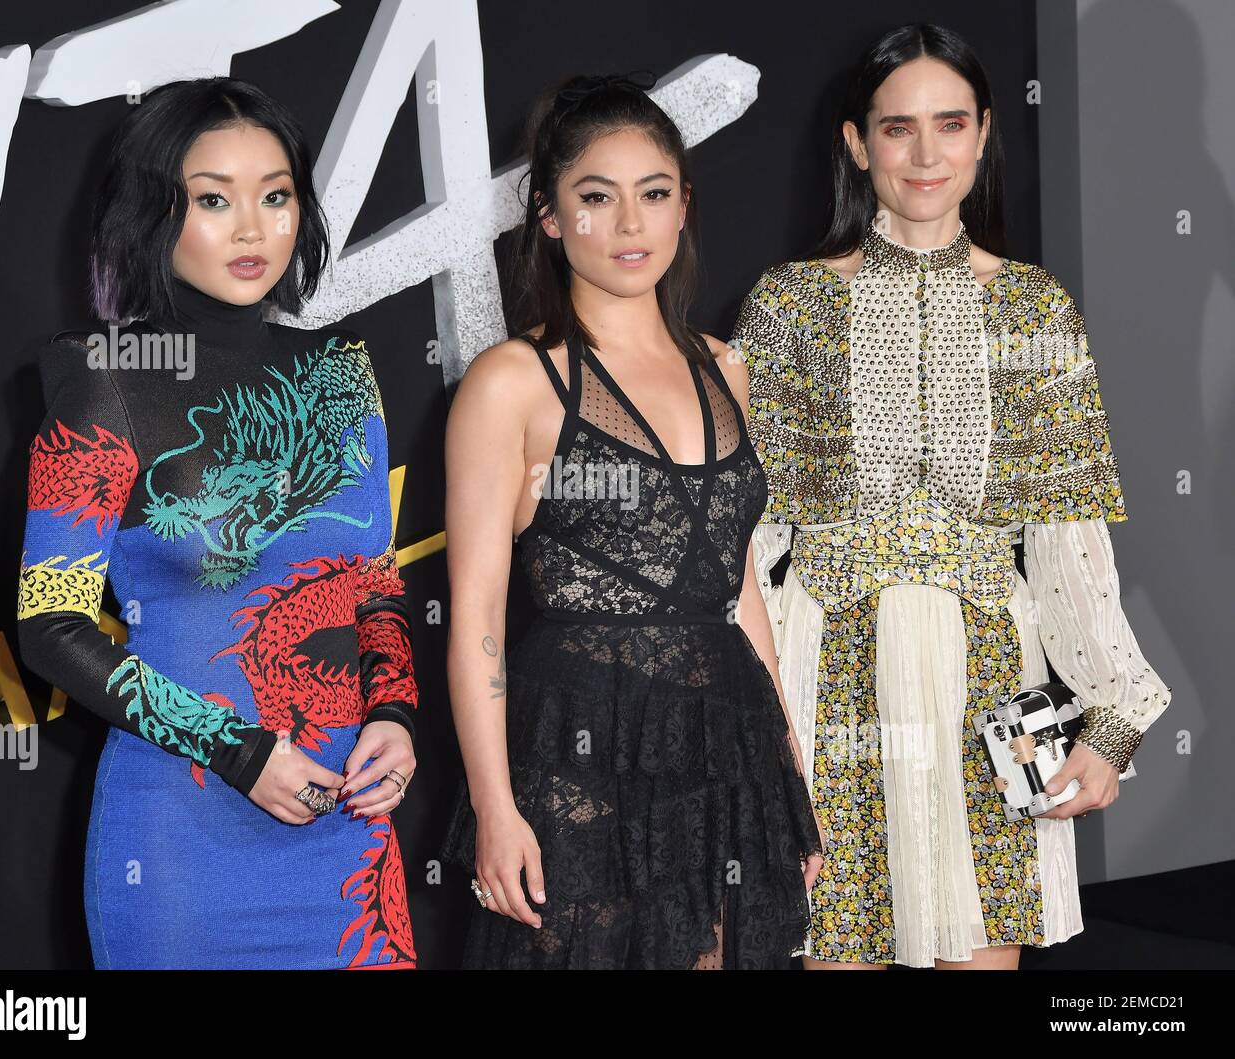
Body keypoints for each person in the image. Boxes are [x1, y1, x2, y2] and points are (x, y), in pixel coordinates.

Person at [731, 23, 1172, 970]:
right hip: (827, 680)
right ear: (856, 143)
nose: (926, 155)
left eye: (950, 125)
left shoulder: (1036, 309)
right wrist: (753, 719)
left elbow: (1067, 540)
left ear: (983, 136)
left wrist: (1110, 719)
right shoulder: (790, 303)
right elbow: (745, 540)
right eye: (898, 129)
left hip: (987, 693)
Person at [16, 77, 419, 968]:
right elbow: (50, 625)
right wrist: (236, 753)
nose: (252, 229)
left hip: (348, 833)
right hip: (180, 843)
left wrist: (394, 713)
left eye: (275, 196)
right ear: (155, 213)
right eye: (213, 200)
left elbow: (375, 580)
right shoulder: (105, 382)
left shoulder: (341, 369)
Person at [438, 72, 825, 970]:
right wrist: (495, 806)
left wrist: (786, 773)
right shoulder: (513, 382)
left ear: (683, 206)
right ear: (547, 216)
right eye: (595, 198)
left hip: (722, 737)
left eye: (652, 195)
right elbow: (477, 616)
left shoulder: (727, 369)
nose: (628, 226)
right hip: (576, 741)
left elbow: (739, 590)